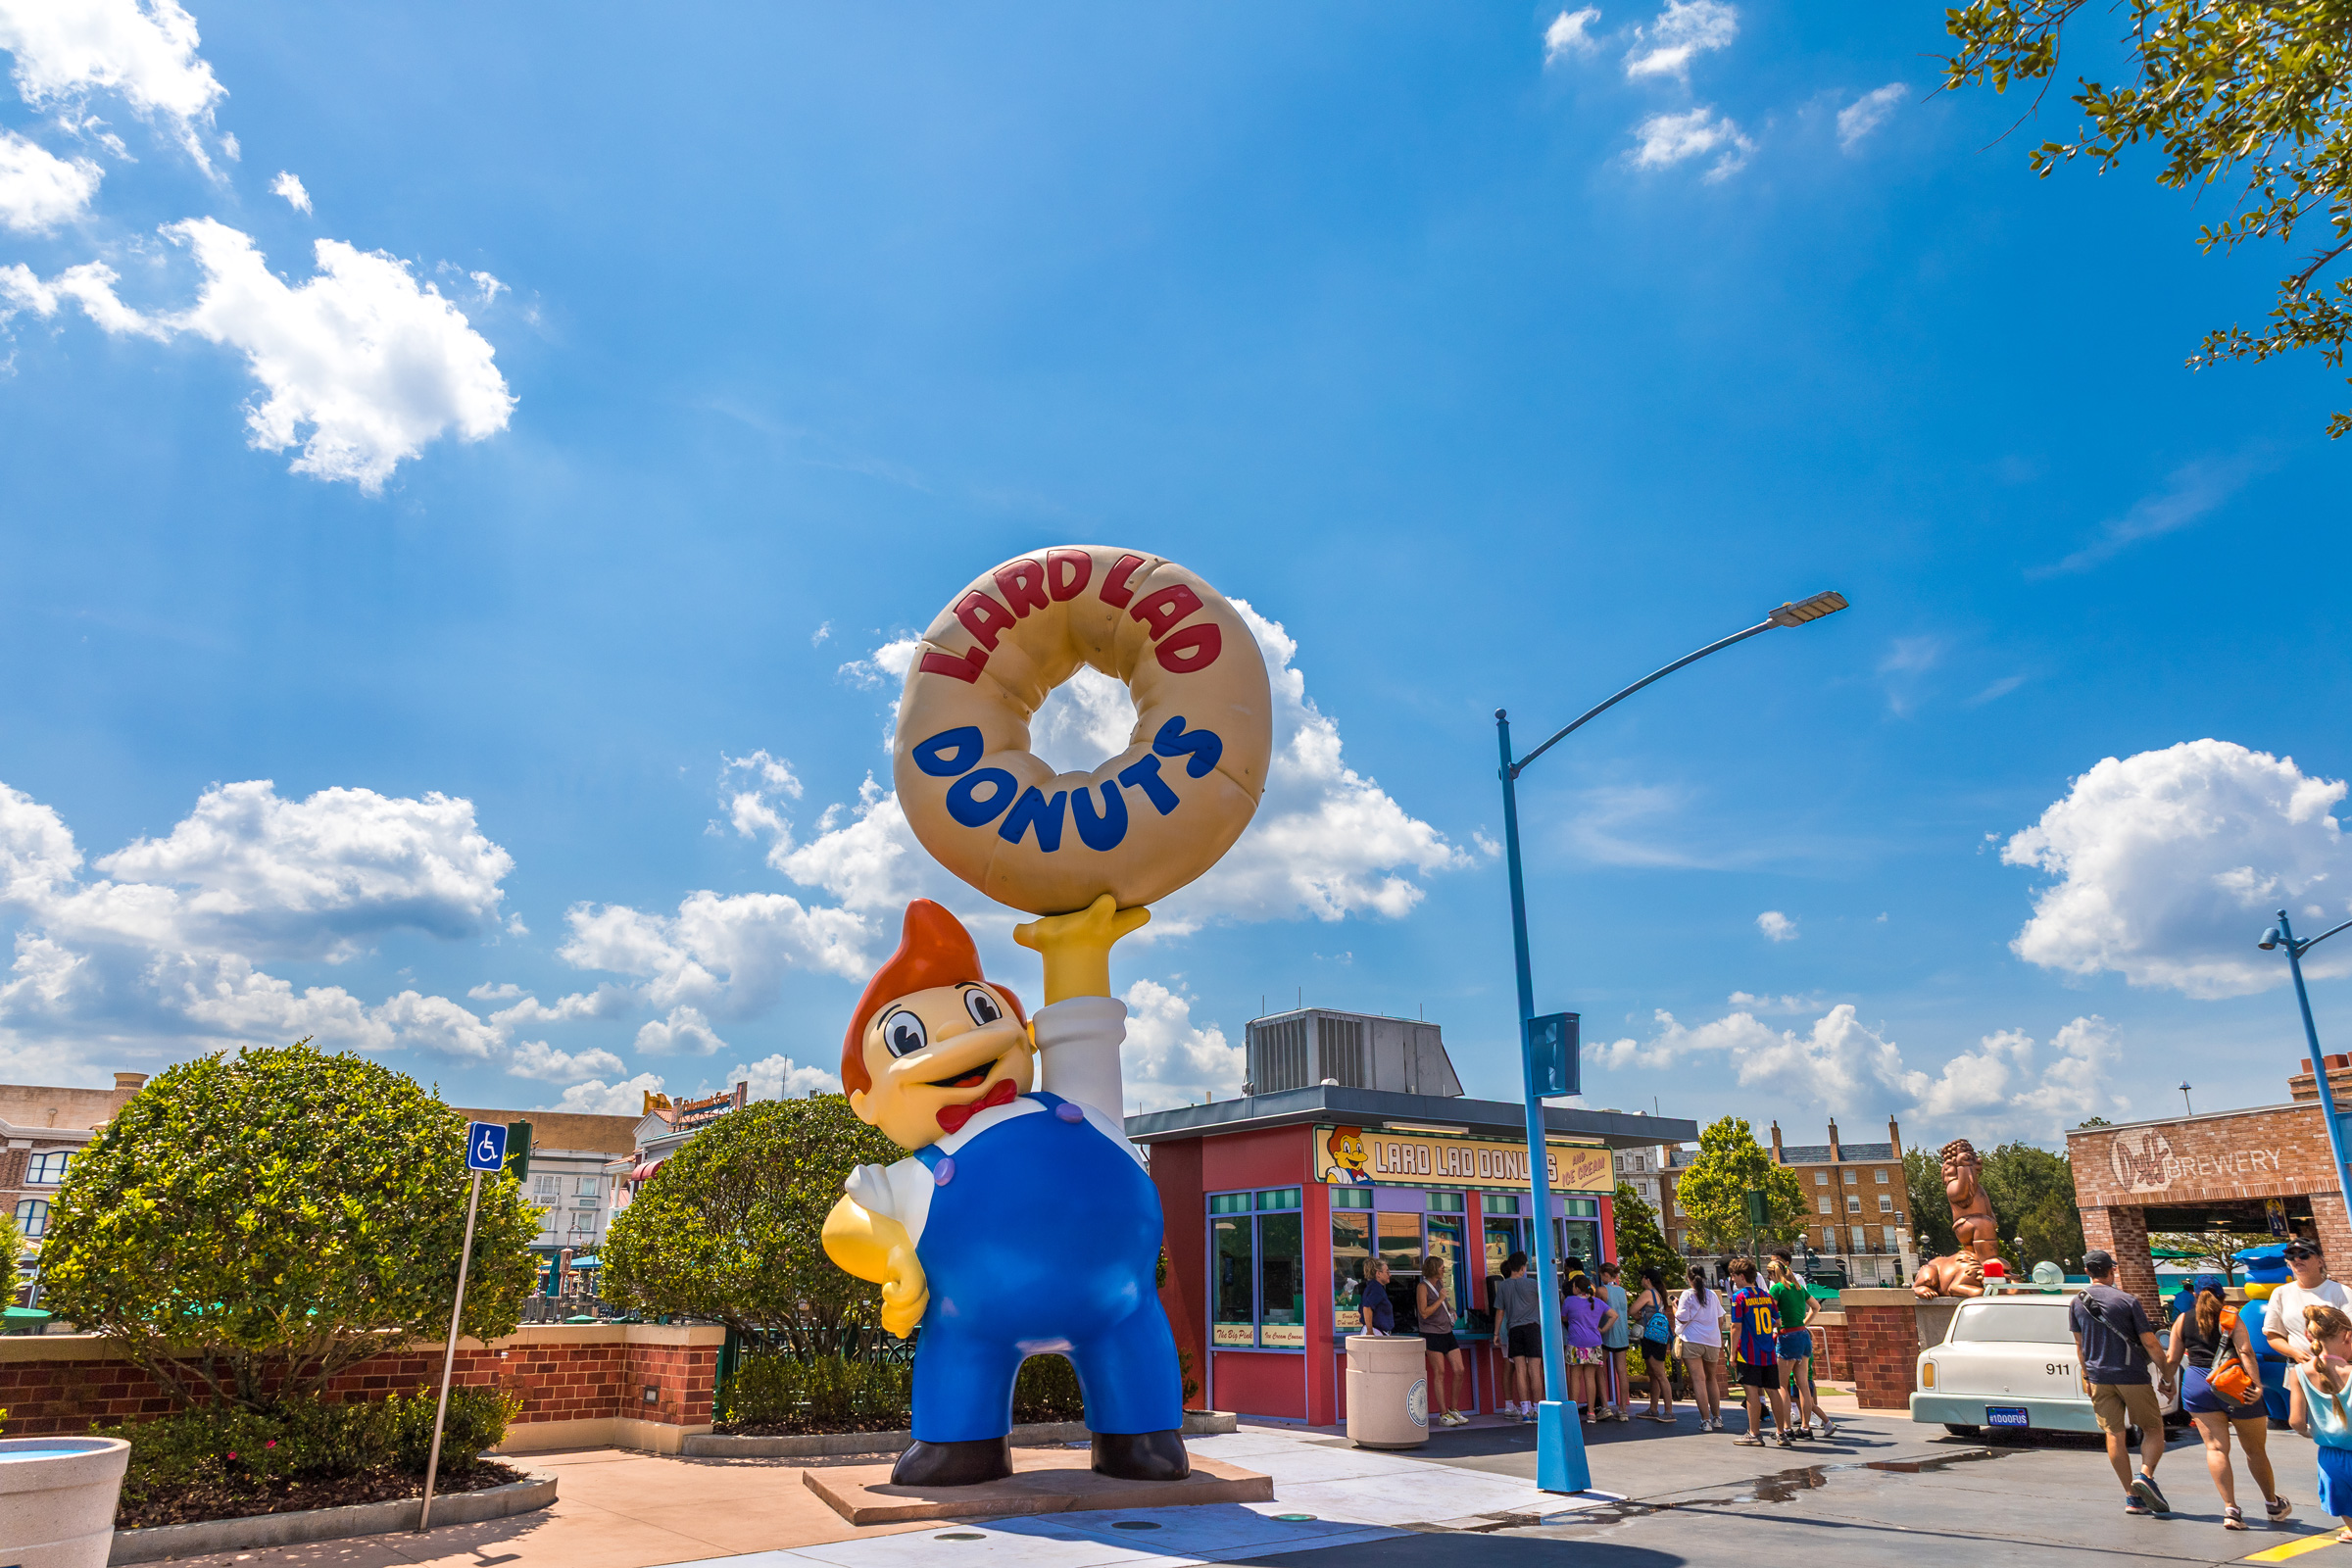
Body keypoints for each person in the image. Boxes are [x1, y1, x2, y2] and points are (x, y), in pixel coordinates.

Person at [2168, 1278, 2288, 1530]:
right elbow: (2245, 1352)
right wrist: (2256, 1385)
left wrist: (2167, 1383)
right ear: (2222, 1296)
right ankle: (2272, 1504)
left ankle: (2231, 1510)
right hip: (2234, 1383)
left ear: (2195, 1296)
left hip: (2199, 1385)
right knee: (2255, 1450)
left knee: (2216, 1449)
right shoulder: (2231, 1317)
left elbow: (2172, 1358)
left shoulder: (2182, 1320)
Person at [2073, 1248, 2177, 1515]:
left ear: (2087, 1271)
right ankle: (2145, 1475)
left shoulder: (2076, 1302)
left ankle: (2132, 1497)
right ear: (2112, 1270)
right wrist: (2167, 1376)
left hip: (2099, 1377)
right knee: (2153, 1428)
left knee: (2114, 1434)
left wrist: (2087, 1376)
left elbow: (2079, 1346)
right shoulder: (2127, 1301)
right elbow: (2150, 1343)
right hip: (2131, 1375)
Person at [2289, 1303, 2352, 1544]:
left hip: (2329, 1456)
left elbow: (2296, 1421)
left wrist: (2310, 1432)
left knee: (2343, 1501)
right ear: (2347, 1336)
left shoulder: (2299, 1373)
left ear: (2310, 1335)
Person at [1727, 1257, 1793, 1448]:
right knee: (1774, 1391)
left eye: (1733, 1276)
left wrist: (1732, 1354)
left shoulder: (1739, 1297)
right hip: (1768, 1351)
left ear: (1741, 1276)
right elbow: (1777, 1321)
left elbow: (1735, 1326)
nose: (1732, 1280)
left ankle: (1754, 1433)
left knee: (1751, 1393)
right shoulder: (1766, 1295)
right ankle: (1781, 1432)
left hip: (1748, 1352)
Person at [1767, 1256, 1833, 1440]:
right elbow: (1816, 1307)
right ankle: (1805, 1427)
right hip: (1803, 1335)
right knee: (1803, 1384)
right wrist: (1804, 1323)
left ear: (1773, 1273)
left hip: (1787, 1336)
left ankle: (1786, 1427)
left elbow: (1769, 1312)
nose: (1769, 1278)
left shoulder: (1777, 1289)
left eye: (1769, 1274)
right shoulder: (1798, 1287)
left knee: (1782, 1385)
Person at [2266, 1239, 2351, 1366]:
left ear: (2320, 1262)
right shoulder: (2280, 1293)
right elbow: (2273, 1335)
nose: (2297, 1259)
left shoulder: (2341, 1291)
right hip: (2298, 1367)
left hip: (2337, 1367)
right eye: (2291, 1256)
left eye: (2304, 1254)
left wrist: (2334, 1360)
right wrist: (2294, 1353)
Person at [1417, 1252, 1467, 1427]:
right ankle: (1443, 1413)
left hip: (1447, 1332)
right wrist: (1439, 1299)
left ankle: (1453, 1408)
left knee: (1459, 1369)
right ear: (1433, 1269)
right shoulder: (1422, 1287)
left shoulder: (1439, 1283)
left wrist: (1451, 1309)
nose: (1444, 1270)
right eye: (1441, 1267)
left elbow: (1445, 1304)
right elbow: (1424, 1313)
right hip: (1431, 1333)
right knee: (1440, 1372)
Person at [1677, 1264, 1728, 1433]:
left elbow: (1682, 1318)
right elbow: (1721, 1319)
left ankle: (1705, 1420)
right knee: (1711, 1379)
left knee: (1698, 1380)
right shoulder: (1712, 1295)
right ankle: (1717, 1417)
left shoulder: (1687, 1295)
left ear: (1688, 1278)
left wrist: (1674, 1307)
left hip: (1693, 1339)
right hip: (1712, 1340)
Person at [1494, 1250, 1544, 1420]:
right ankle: (1537, 1409)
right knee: (1535, 1371)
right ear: (1523, 1267)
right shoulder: (1533, 1284)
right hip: (1533, 1328)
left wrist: (1496, 1332)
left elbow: (1500, 1312)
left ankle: (1525, 1411)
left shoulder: (1503, 1286)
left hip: (1514, 1330)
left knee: (1520, 1371)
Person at [1562, 1273, 1610, 1426]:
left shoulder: (1570, 1301)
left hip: (1576, 1343)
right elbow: (1614, 1315)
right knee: (1590, 1378)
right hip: (1594, 1343)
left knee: (1575, 1377)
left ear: (1576, 1288)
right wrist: (1602, 1329)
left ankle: (1573, 1411)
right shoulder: (1597, 1302)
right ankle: (1591, 1413)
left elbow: (1564, 1318)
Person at [1632, 1265, 1678, 1424]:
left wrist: (1637, 1316)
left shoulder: (1648, 1294)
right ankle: (1653, 1409)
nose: (1641, 1280)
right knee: (1654, 1375)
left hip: (1650, 1337)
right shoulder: (1659, 1294)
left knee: (1660, 1375)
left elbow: (1632, 1310)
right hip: (1659, 1338)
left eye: (1643, 1277)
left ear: (1648, 1280)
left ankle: (1669, 1411)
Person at [1598, 1261, 1633, 1423]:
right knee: (1622, 1371)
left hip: (1606, 1333)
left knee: (1599, 1368)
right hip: (1622, 1333)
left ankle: (1605, 1406)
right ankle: (1623, 1409)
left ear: (1606, 1275)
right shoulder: (1622, 1291)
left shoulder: (1601, 1291)